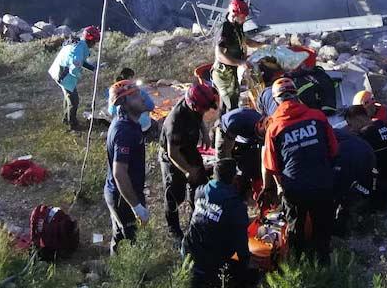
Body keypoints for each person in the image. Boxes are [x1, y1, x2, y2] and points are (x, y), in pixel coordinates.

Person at [262, 77, 338, 265]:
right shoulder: (318, 116)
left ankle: (297, 264)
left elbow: (271, 165)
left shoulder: (273, 128)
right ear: (296, 94)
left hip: (294, 187)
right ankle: (323, 261)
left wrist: (279, 186)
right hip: (322, 182)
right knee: (323, 224)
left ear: (275, 100)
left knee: (296, 225)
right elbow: (334, 149)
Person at [159, 81, 218, 240]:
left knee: (198, 184)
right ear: (192, 105)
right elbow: (173, 153)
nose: (205, 111)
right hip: (173, 156)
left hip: (189, 147)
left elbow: (199, 118)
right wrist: (187, 170)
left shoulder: (197, 104)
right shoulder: (175, 121)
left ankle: (197, 220)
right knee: (174, 194)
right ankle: (174, 231)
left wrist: (204, 132)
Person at [182, 158, 251, 288]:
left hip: (189, 251)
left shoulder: (200, 191)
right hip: (211, 262)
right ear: (233, 178)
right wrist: (245, 265)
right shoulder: (235, 206)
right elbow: (242, 242)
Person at [104, 80, 151, 254]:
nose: (142, 98)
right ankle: (137, 278)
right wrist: (136, 206)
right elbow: (119, 173)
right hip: (122, 197)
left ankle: (115, 262)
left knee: (120, 233)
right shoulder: (124, 131)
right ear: (124, 103)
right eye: (135, 96)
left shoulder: (131, 124)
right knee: (134, 241)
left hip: (124, 193)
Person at [212, 0, 263, 145]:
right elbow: (220, 55)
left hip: (232, 71)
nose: (245, 19)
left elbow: (244, 40)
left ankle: (224, 133)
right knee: (231, 105)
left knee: (227, 104)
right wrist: (240, 62)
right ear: (234, 14)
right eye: (243, 16)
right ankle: (227, 140)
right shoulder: (225, 28)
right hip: (224, 74)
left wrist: (261, 45)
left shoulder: (237, 25)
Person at [345, 101, 387, 210]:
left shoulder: (365, 135)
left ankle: (375, 205)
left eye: (350, 124)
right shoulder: (382, 124)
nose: (350, 129)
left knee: (350, 178)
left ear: (359, 119)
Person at [48, 26, 100, 130]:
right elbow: (75, 66)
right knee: (74, 100)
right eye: (95, 41)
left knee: (68, 97)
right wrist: (78, 75)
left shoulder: (78, 43)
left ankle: (66, 119)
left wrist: (91, 67)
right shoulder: (79, 49)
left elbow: (80, 61)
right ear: (91, 41)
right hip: (64, 75)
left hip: (57, 71)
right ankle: (73, 124)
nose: (95, 44)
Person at [332, 125, 376, 235]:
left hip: (348, 158)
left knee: (338, 192)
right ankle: (364, 208)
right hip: (368, 152)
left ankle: (343, 228)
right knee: (361, 188)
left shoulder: (318, 139)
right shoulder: (333, 130)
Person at [218, 107, 266, 198]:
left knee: (253, 160)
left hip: (245, 137)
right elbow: (227, 151)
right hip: (226, 130)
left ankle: (248, 187)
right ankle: (227, 194)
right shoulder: (236, 124)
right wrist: (231, 170)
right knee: (223, 163)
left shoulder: (264, 124)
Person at [108, 68, 156, 134]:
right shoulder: (137, 90)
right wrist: (143, 109)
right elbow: (151, 106)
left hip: (122, 125)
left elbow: (111, 112)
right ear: (131, 77)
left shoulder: (115, 92)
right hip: (142, 126)